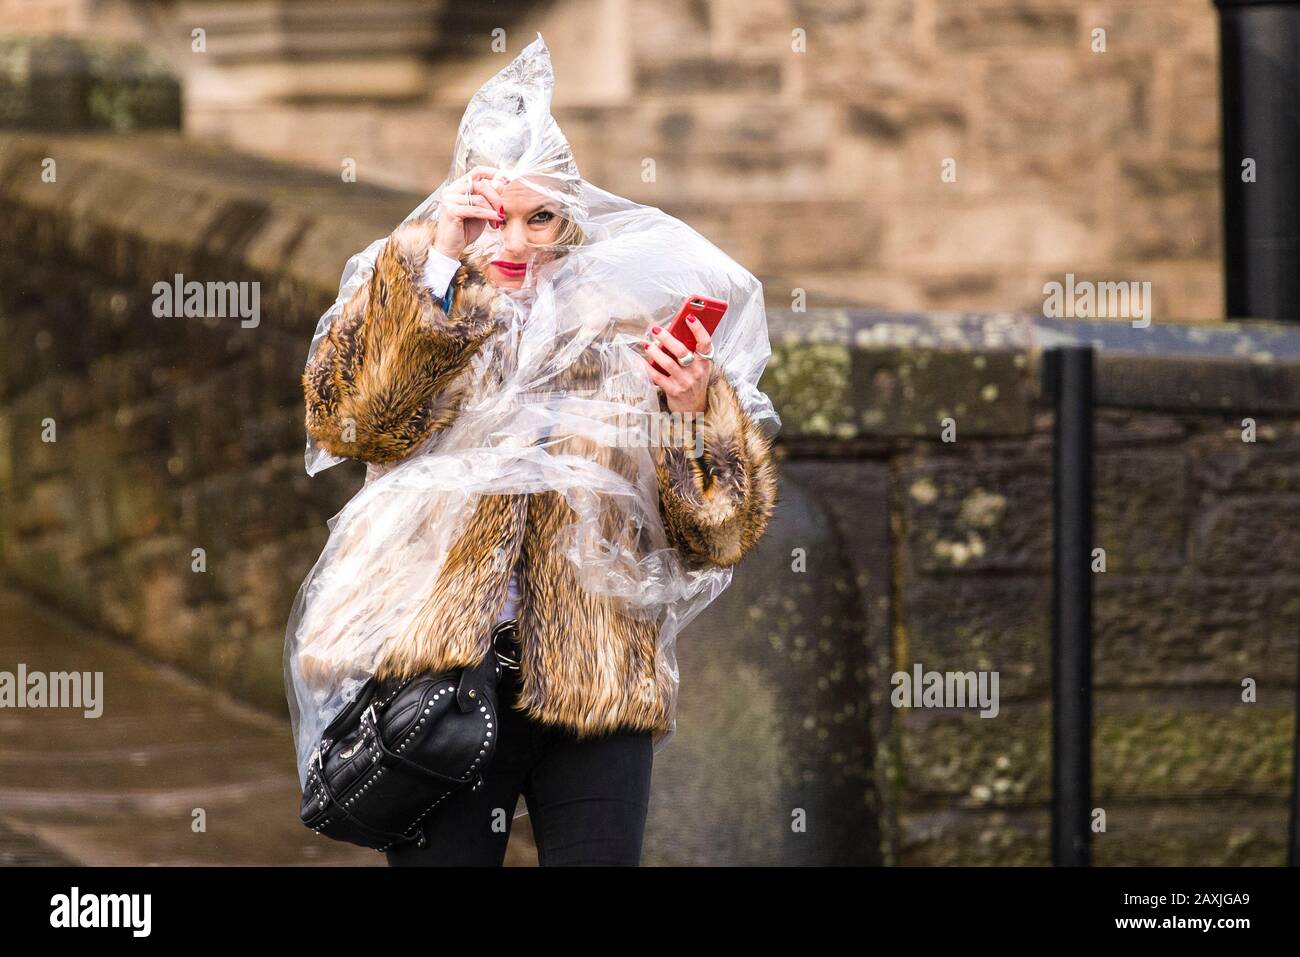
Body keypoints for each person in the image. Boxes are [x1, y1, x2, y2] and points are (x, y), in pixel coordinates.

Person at [287, 35, 779, 867]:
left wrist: (695, 409)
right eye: (489, 215)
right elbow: (352, 423)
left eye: (538, 215)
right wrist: (437, 269)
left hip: (597, 675)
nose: (513, 240)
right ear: (456, 209)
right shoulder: (413, 298)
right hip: (442, 672)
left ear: (570, 221)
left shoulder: (629, 337)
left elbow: (721, 534)